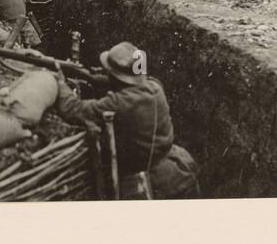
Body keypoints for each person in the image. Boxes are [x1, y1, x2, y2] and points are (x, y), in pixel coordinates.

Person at [51, 41, 199, 200]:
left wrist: (60, 82)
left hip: (152, 183)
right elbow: (133, 85)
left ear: (116, 77)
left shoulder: (119, 103)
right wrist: (98, 78)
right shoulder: (155, 86)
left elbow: (73, 108)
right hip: (178, 168)